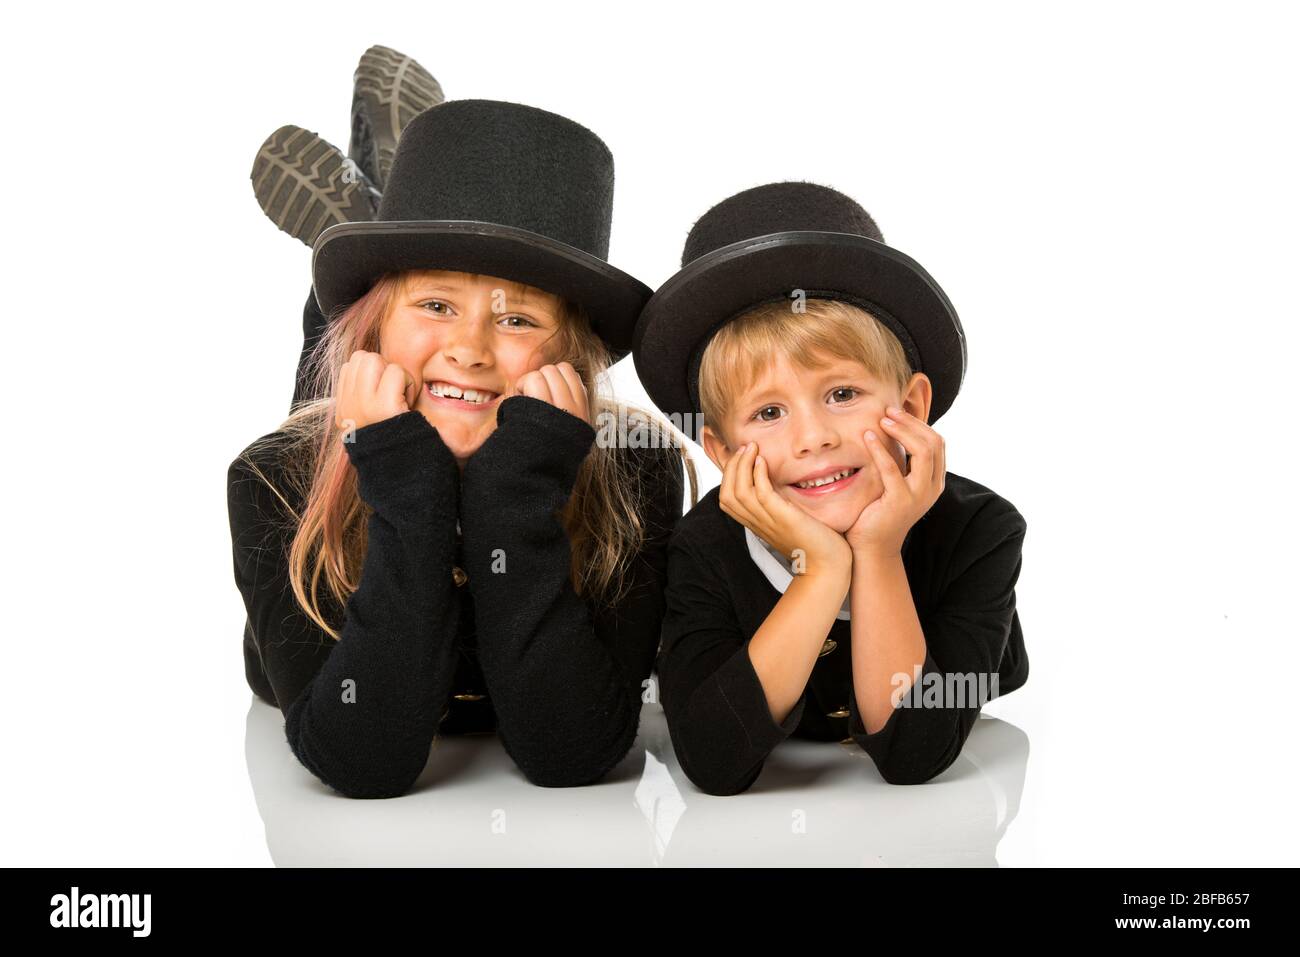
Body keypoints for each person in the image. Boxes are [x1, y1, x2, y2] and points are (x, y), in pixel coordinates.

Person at [227, 98, 693, 800]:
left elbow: (574, 750)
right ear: (385, 317)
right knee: (332, 390)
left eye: (516, 318)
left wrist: (517, 495)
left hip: (438, 396)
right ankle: (376, 228)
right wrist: (402, 480)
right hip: (350, 454)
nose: (471, 349)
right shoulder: (268, 481)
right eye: (436, 303)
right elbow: (359, 759)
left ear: (574, 354)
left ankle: (385, 219)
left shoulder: (639, 469)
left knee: (415, 379)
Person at [632, 181, 1028, 794]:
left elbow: (912, 755)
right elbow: (713, 764)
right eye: (768, 414)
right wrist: (821, 570)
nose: (813, 438)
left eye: (842, 394)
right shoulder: (702, 542)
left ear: (913, 406)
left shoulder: (981, 527)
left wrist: (877, 550)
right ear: (721, 450)